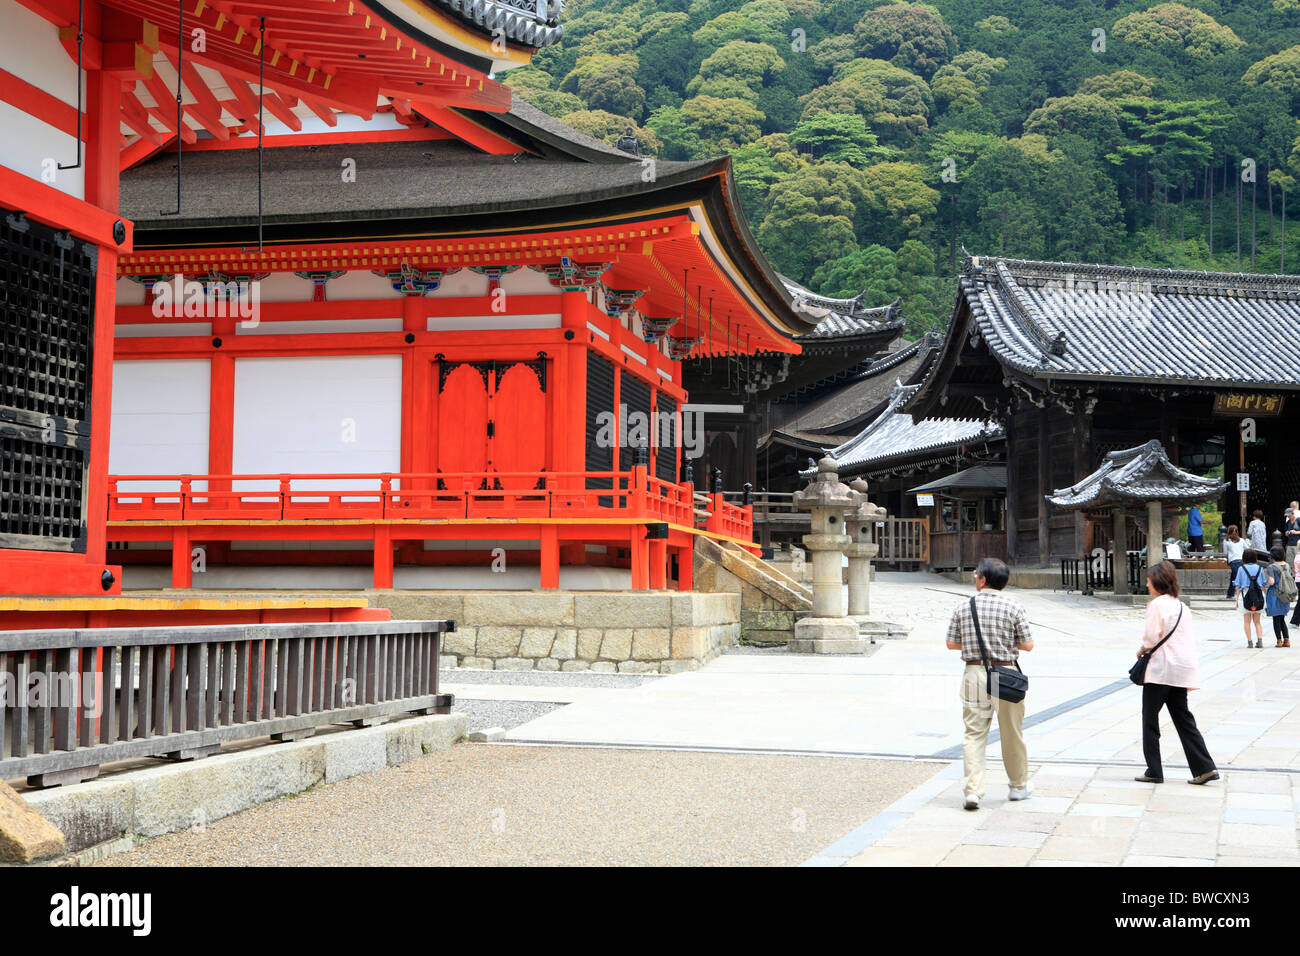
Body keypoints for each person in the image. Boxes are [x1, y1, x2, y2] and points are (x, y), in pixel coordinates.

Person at [945, 556, 1034, 811]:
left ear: (983, 580)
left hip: (974, 673)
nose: (975, 579)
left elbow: (951, 643)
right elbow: (1027, 645)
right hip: (1004, 674)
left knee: (974, 733)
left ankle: (973, 791)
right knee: (1011, 733)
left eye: (976, 575)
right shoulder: (1014, 606)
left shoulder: (964, 607)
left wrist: (976, 646)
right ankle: (1018, 786)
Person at [1134, 561, 1219, 785]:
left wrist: (1142, 649)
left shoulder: (1156, 605)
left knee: (1150, 720)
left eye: (1149, 579)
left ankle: (1154, 769)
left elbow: (1151, 638)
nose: (1147, 583)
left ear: (1157, 582)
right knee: (1184, 720)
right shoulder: (1182, 606)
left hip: (1161, 669)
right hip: (1181, 669)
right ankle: (1205, 767)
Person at [1236, 549, 1268, 649]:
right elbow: (1263, 584)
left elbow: (1237, 585)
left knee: (1247, 621)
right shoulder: (1260, 568)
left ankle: (1250, 642)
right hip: (1258, 595)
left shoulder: (1241, 569)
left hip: (1245, 595)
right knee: (1257, 621)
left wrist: (1237, 600)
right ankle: (1260, 640)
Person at [1267, 546, 1294, 648]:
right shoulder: (1287, 566)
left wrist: (1266, 583)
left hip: (1275, 594)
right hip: (1285, 594)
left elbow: (1272, 582)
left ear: (1273, 556)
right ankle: (1286, 640)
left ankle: (1279, 641)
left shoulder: (1271, 567)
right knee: (1282, 618)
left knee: (1276, 619)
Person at [1224, 525, 1246, 601]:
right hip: (1241, 561)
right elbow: (1247, 549)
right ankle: (1238, 593)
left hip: (1233, 561)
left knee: (1234, 577)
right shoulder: (1242, 540)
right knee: (1238, 577)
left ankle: (1231, 594)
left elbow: (1225, 552)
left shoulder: (1226, 541)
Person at [1285, 503, 1300, 568]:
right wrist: (1287, 533)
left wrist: (1296, 532)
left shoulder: (1298, 520)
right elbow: (1286, 531)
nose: (1288, 517)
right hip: (1289, 544)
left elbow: (1296, 532)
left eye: (1289, 516)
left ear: (1293, 514)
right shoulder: (1288, 522)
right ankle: (1293, 576)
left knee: (1298, 562)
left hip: (1298, 545)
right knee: (1290, 563)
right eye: (1287, 516)